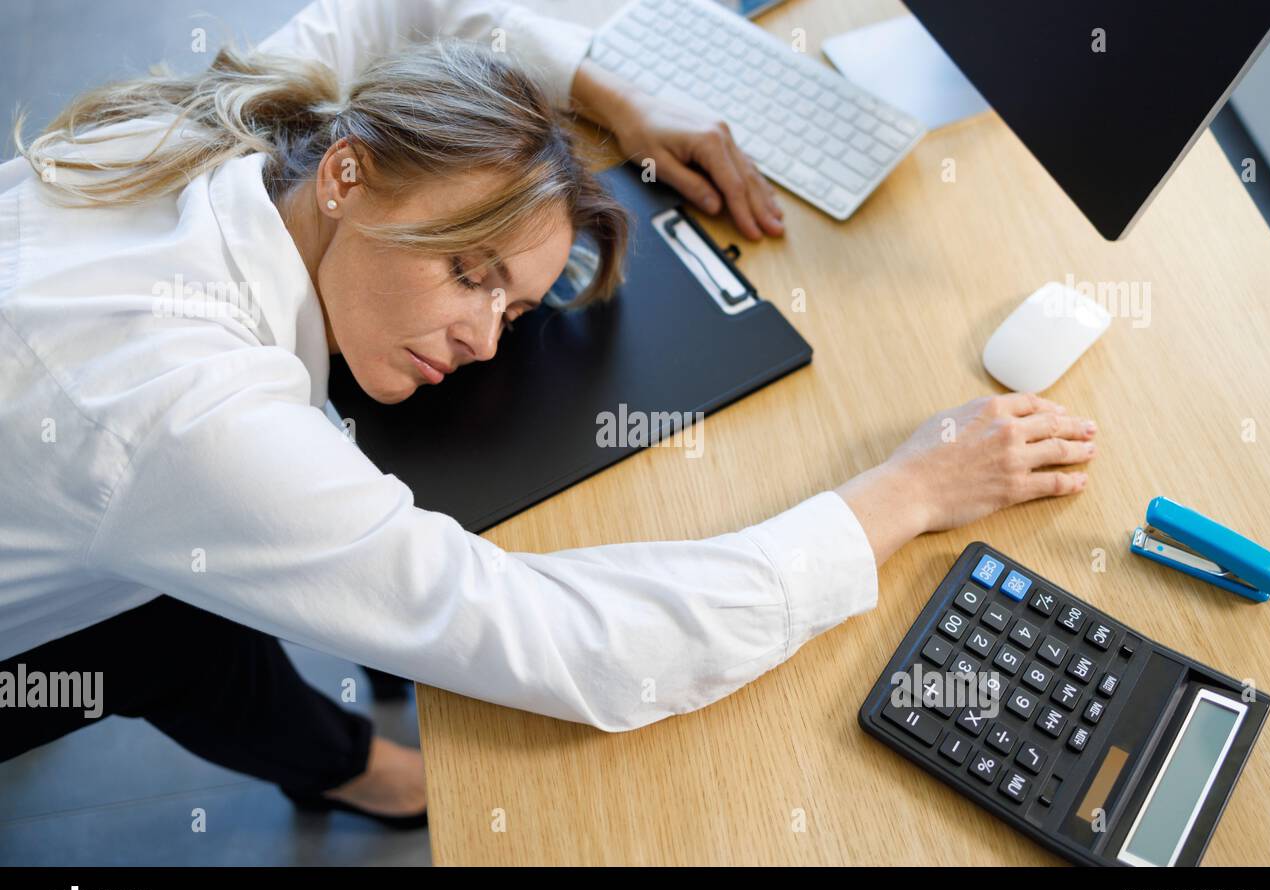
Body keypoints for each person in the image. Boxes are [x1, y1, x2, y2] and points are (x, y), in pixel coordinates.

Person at [0, 0, 1098, 828]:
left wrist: (619, 100)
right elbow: (571, 641)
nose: (482, 339)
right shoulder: (188, 417)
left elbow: (412, 7)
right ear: (349, 174)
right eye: (468, 270)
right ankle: (357, 774)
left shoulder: (252, 140)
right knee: (169, 640)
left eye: (513, 307)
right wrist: (906, 491)